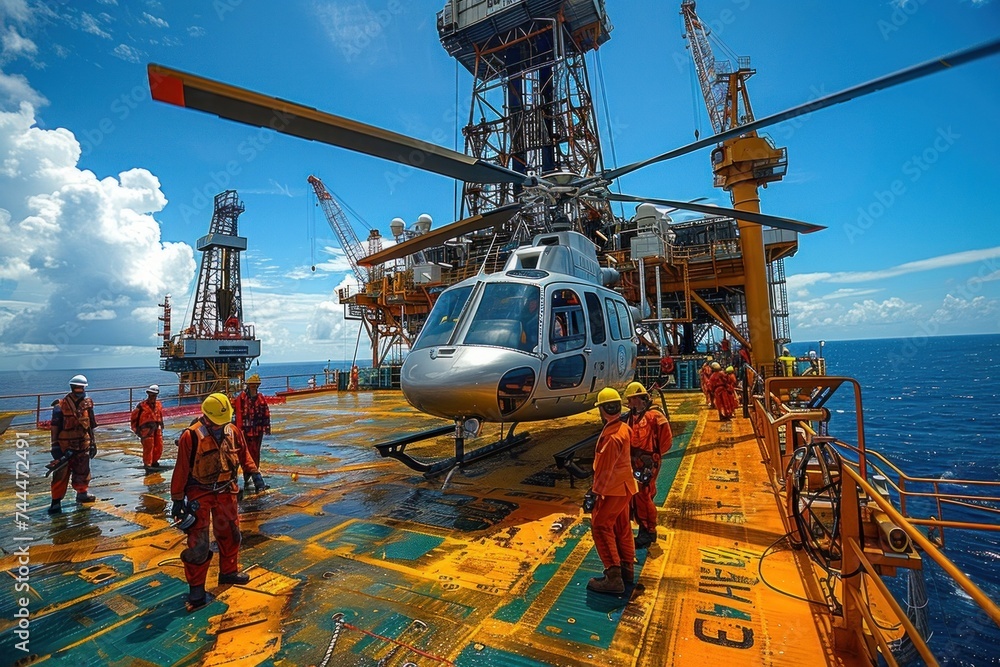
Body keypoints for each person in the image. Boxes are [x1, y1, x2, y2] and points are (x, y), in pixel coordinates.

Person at [170, 393, 268, 610]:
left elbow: (244, 455)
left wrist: (255, 473)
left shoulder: (232, 431)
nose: (221, 426)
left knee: (231, 534)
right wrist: (177, 500)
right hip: (200, 493)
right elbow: (181, 470)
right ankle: (196, 590)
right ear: (206, 416)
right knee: (199, 543)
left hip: (226, 491)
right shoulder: (191, 436)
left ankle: (229, 572)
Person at [586, 387, 638, 594]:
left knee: (600, 526)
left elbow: (605, 470)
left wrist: (595, 493)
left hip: (613, 490)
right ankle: (627, 569)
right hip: (625, 487)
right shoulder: (624, 428)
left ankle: (613, 576)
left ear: (602, 409)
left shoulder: (610, 437)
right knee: (621, 527)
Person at [623, 382, 673, 549]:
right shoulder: (631, 417)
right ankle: (644, 528)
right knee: (637, 496)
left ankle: (649, 531)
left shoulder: (655, 416)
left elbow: (666, 440)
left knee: (644, 495)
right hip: (635, 462)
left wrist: (653, 458)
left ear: (638, 398)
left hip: (648, 463)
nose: (629, 403)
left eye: (631, 399)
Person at [47, 374, 99, 515]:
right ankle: (56, 502)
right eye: (77, 387)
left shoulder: (88, 405)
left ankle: (82, 493)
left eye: (81, 387)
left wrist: (93, 443)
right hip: (65, 447)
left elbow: (90, 426)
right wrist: (55, 446)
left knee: (82, 471)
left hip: (83, 444)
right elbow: (54, 427)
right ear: (72, 388)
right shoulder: (60, 406)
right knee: (60, 474)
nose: (79, 390)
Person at [231, 374, 271, 488]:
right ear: (248, 386)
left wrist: (266, 428)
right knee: (244, 455)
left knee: (255, 454)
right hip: (244, 431)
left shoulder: (261, 398)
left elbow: (266, 414)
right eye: (252, 386)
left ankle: (252, 477)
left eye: (255, 386)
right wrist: (238, 431)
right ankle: (254, 479)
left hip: (257, 431)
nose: (254, 388)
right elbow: (238, 414)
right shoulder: (241, 399)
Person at [131, 384, 164, 473]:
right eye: (150, 394)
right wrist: (137, 431)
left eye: (153, 395)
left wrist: (162, 426)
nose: (152, 397)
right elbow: (134, 418)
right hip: (146, 431)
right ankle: (148, 465)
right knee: (148, 447)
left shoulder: (159, 404)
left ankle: (154, 461)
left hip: (157, 429)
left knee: (159, 446)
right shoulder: (141, 406)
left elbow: (160, 415)